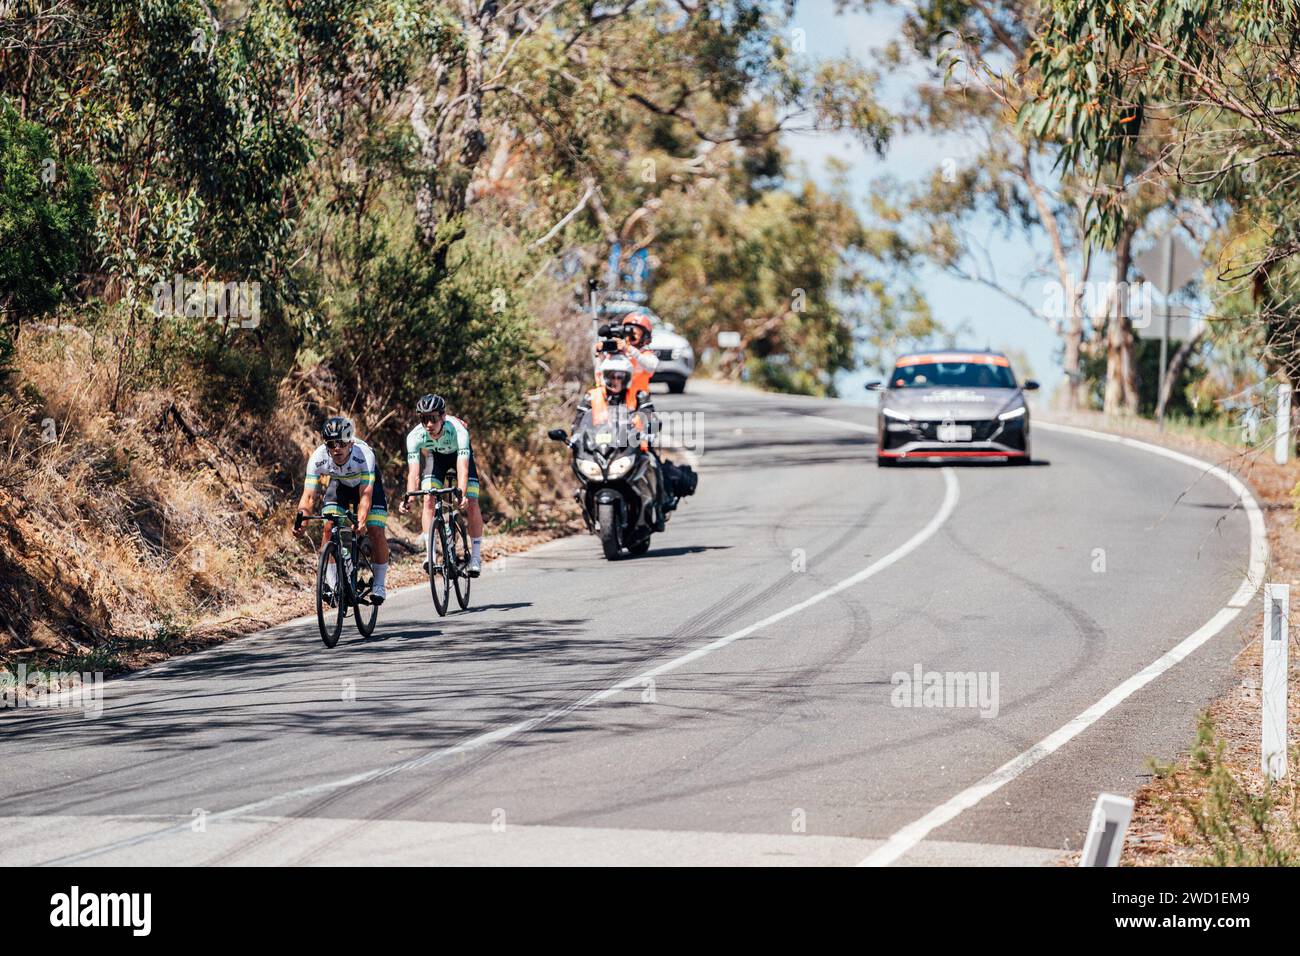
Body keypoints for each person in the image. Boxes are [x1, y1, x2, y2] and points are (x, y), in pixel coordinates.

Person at [293, 416, 390, 605]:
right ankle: (333, 584)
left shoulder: (364, 455)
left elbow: (366, 494)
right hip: (340, 486)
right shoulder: (318, 458)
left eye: (342, 443)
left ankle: (379, 583)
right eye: (331, 443)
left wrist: (361, 520)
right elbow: (309, 496)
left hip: (367, 486)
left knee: (375, 529)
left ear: (350, 442)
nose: (337, 448)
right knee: (329, 527)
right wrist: (301, 522)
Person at [573, 355, 667, 530]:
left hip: (631, 445)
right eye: (612, 376)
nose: (616, 380)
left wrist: (649, 427)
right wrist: (575, 437)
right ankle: (587, 507)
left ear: (627, 378)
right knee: (582, 473)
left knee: (653, 464)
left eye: (620, 376)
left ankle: (658, 509)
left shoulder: (638, 395)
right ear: (604, 376)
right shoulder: (591, 396)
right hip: (600, 447)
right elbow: (578, 422)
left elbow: (649, 415)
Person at [400, 394, 484, 576]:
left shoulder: (458, 430)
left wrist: (461, 492)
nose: (429, 424)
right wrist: (409, 497)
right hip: (436, 458)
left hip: (459, 457)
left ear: (443, 416)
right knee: (428, 498)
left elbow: (462, 466)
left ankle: (476, 557)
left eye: (433, 418)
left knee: (472, 500)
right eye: (424, 419)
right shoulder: (415, 436)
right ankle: (430, 553)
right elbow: (413, 473)